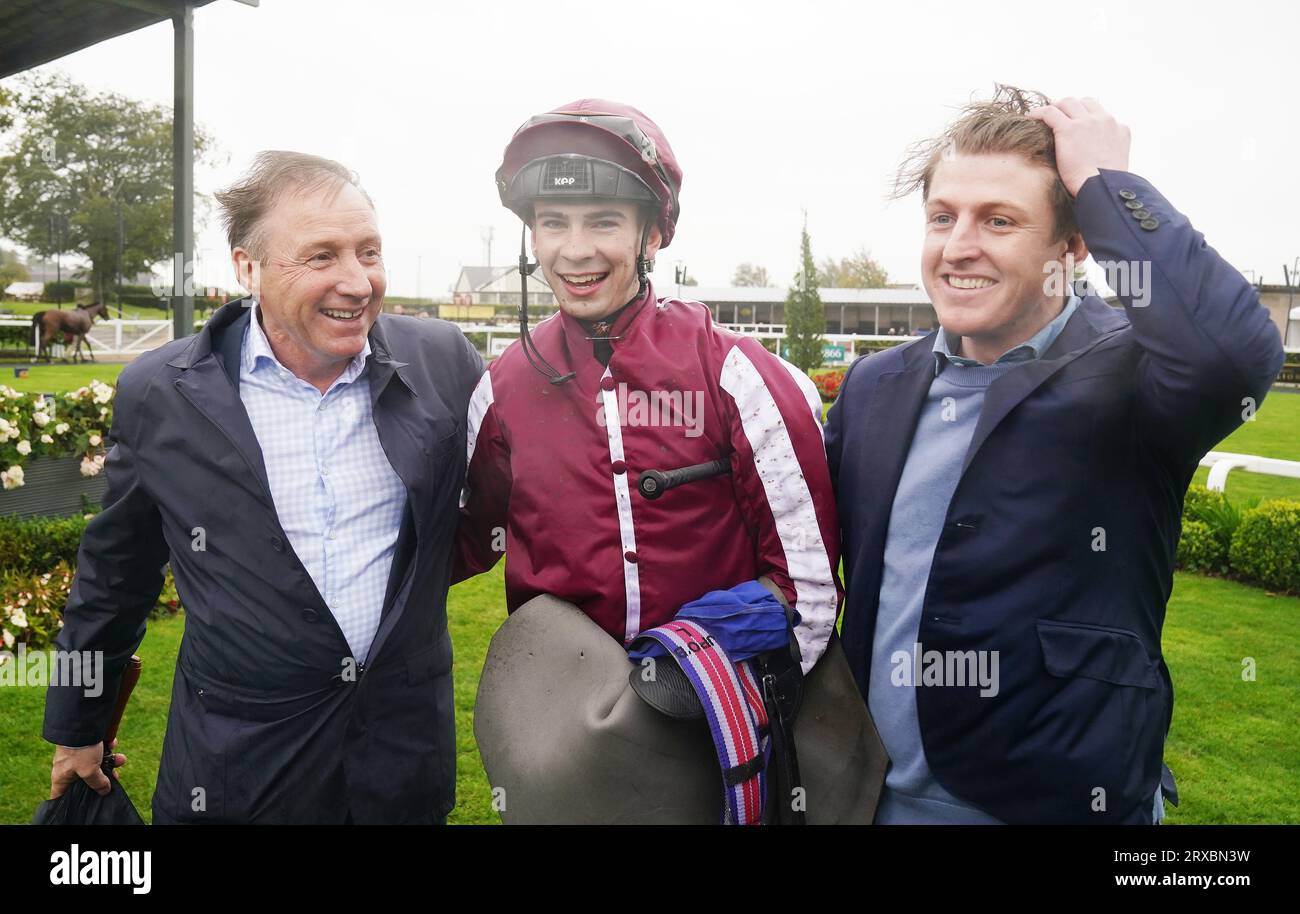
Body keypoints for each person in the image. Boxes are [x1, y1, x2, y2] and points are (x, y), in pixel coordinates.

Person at [825, 86, 1286, 824]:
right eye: (942, 217)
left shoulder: (1136, 379)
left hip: (1059, 805)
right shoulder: (875, 384)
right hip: (868, 799)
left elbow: (1232, 355)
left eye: (999, 221)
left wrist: (1106, 183)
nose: (958, 245)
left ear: (1072, 245)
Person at [455, 100, 866, 821]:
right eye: (553, 223)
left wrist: (683, 668)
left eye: (604, 222)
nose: (574, 251)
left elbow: (805, 588)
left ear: (653, 232)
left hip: (719, 741)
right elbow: (463, 542)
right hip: (569, 755)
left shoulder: (739, 375)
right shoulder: (502, 389)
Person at [43, 151, 483, 824]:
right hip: (236, 766)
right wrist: (77, 725)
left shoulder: (443, 360)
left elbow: (519, 490)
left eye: (369, 252)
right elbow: (116, 573)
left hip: (401, 760)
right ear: (246, 268)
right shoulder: (161, 392)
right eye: (322, 257)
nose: (358, 281)